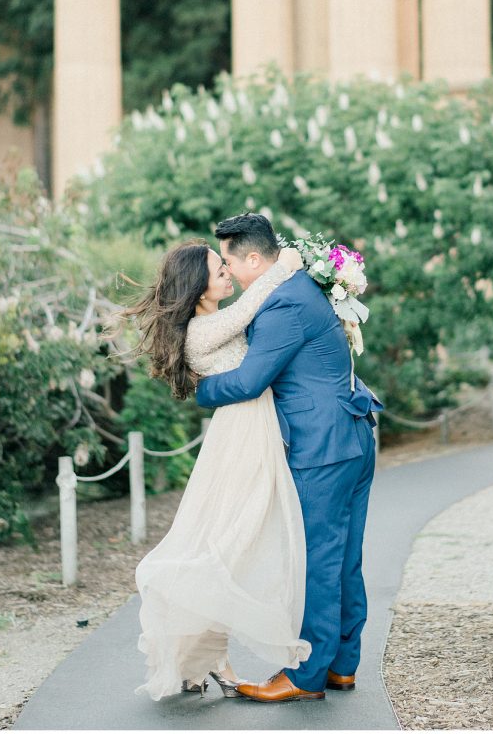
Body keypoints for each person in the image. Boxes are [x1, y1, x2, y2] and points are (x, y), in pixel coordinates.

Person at [196, 212, 383, 702]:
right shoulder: (299, 286)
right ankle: (341, 665)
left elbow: (249, 381)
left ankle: (304, 676)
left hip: (323, 446)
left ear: (254, 259)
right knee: (344, 558)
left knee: (320, 560)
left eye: (231, 263)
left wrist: (196, 389)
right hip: (352, 433)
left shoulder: (281, 306)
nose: (230, 274)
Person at [122, 238, 310, 701]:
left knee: (235, 545)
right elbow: (249, 310)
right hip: (242, 437)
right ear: (197, 285)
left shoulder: (210, 322)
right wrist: (284, 265)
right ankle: (209, 654)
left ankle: (202, 658)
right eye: (217, 268)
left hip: (250, 430)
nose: (226, 271)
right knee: (232, 545)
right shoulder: (203, 330)